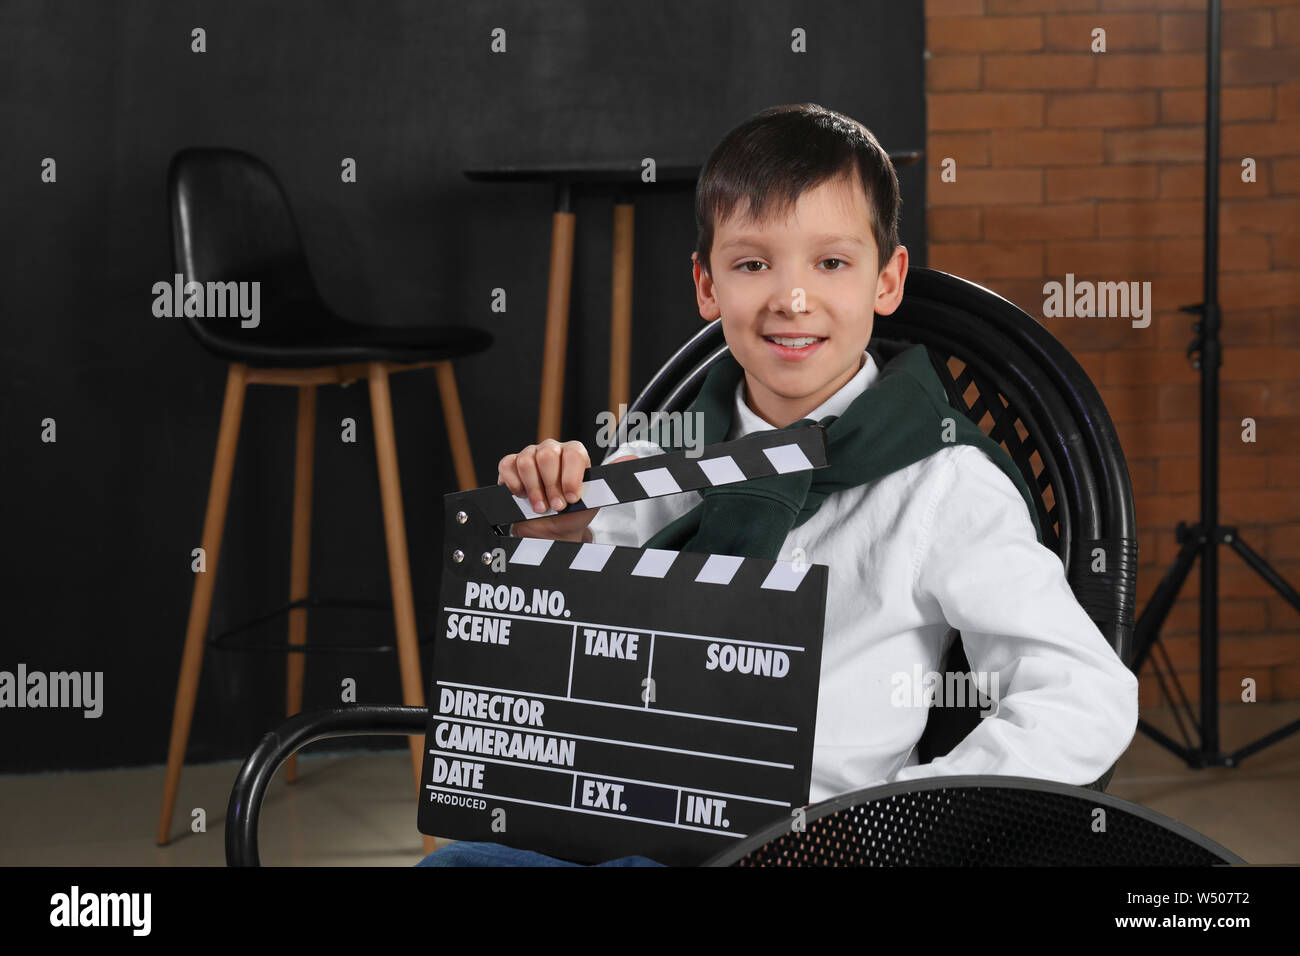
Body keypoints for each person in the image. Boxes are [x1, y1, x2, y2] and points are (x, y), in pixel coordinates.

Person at [419, 103, 1139, 867]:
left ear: (886, 279)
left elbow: (1084, 694)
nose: (792, 299)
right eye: (753, 263)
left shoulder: (944, 483)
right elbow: (553, 629)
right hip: (624, 822)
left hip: (807, 849)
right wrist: (532, 529)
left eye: (831, 263)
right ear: (707, 285)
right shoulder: (665, 446)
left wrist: (906, 826)